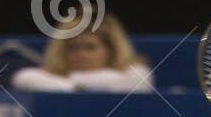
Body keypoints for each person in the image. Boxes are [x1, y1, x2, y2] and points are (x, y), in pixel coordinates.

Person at [10, 12, 154, 93]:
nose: (82, 54)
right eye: (74, 48)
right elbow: (22, 78)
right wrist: (77, 87)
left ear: (111, 49)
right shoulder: (46, 76)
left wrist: (77, 85)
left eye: (90, 47)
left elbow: (139, 82)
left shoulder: (136, 73)